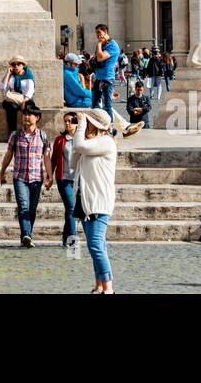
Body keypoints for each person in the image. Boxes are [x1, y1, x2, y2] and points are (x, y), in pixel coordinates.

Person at [73, 108, 119, 293]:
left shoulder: (106, 142)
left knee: (96, 246)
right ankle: (99, 285)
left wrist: (81, 125)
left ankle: (108, 288)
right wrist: (81, 133)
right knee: (96, 247)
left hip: (98, 202)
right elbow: (72, 160)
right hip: (86, 202)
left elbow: (80, 147)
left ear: (95, 124)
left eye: (88, 122)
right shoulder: (91, 142)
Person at [0, 104, 52, 248]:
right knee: (23, 206)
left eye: (29, 115)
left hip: (36, 177)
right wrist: (2, 172)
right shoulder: (15, 135)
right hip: (20, 177)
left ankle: (26, 235)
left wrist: (50, 175)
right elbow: (9, 154)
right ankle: (26, 234)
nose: (26, 117)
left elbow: (46, 157)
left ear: (37, 118)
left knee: (32, 209)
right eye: (24, 114)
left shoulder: (43, 135)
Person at [51, 112, 81, 248]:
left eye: (70, 121)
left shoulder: (82, 139)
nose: (67, 124)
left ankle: (65, 236)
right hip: (63, 178)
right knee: (71, 207)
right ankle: (73, 239)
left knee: (71, 209)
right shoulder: (60, 140)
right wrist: (49, 176)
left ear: (76, 123)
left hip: (79, 179)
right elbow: (53, 160)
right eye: (65, 121)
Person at [0, 57, 36, 136]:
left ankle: (28, 132)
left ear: (22, 65)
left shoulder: (28, 76)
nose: (16, 66)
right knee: (11, 107)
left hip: (26, 99)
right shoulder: (11, 76)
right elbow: (2, 87)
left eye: (18, 64)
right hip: (12, 100)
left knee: (28, 109)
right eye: (13, 64)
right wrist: (8, 74)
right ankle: (12, 133)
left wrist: (24, 101)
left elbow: (30, 91)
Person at [91, 23, 120, 114]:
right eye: (96, 33)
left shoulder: (112, 45)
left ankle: (109, 127)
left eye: (99, 32)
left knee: (107, 106)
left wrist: (99, 43)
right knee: (95, 104)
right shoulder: (103, 44)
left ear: (105, 32)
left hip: (107, 78)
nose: (97, 35)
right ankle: (99, 124)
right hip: (98, 77)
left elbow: (100, 57)